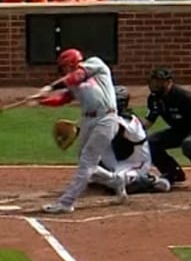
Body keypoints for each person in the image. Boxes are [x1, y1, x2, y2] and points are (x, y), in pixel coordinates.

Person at [37, 48, 127, 213]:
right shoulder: (74, 83)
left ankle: (66, 202)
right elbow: (63, 99)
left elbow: (76, 77)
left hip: (106, 118)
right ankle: (116, 181)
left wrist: (50, 86)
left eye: (64, 66)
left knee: (87, 160)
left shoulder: (95, 64)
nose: (63, 70)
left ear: (73, 62)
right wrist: (41, 100)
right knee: (86, 161)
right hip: (87, 120)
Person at [89, 86, 171, 196]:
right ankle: (120, 179)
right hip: (118, 160)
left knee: (118, 181)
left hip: (137, 162)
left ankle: (152, 181)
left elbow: (114, 129)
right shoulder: (112, 117)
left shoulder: (129, 121)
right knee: (89, 172)